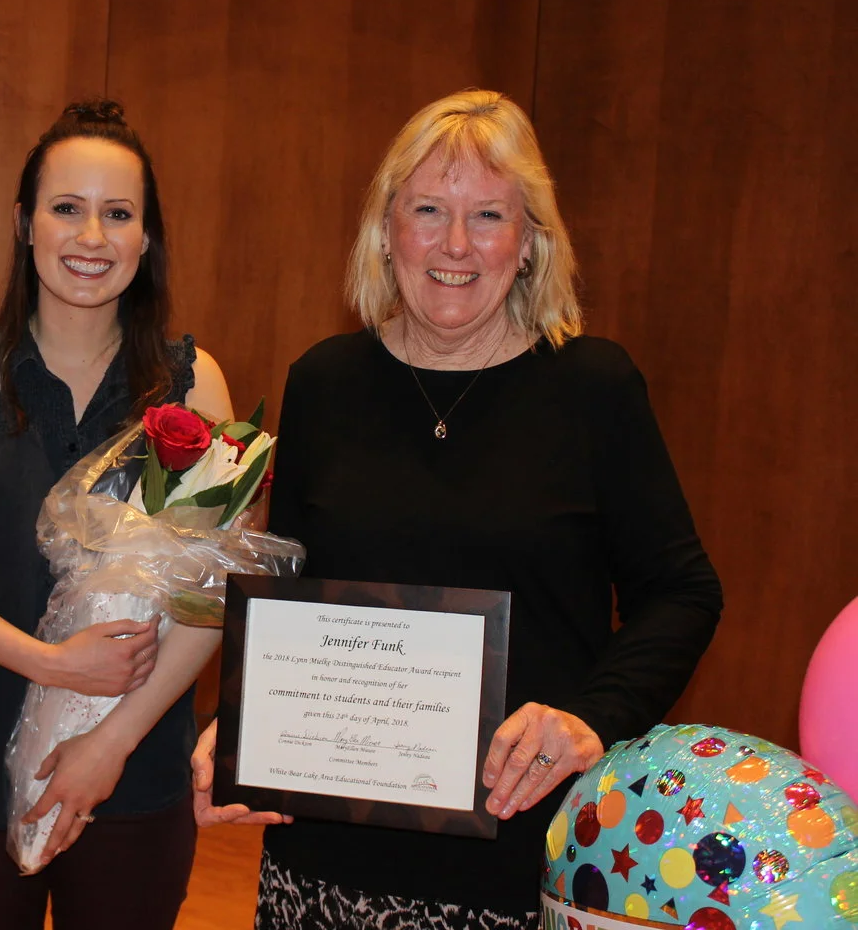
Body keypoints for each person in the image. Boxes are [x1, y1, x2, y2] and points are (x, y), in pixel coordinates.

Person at [191, 89, 722, 928]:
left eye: (489, 215)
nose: (455, 244)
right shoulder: (325, 383)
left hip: (517, 857)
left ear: (530, 242)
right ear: (386, 228)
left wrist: (590, 717)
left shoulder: (594, 389)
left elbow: (683, 591)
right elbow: (292, 590)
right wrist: (241, 721)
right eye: (428, 209)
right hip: (326, 858)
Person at [0, 100, 233, 930]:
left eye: (118, 214)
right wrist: (52, 663)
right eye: (66, 208)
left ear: (146, 238)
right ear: (24, 223)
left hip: (134, 773)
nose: (91, 238)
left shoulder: (196, 387)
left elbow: (210, 597)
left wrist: (106, 746)